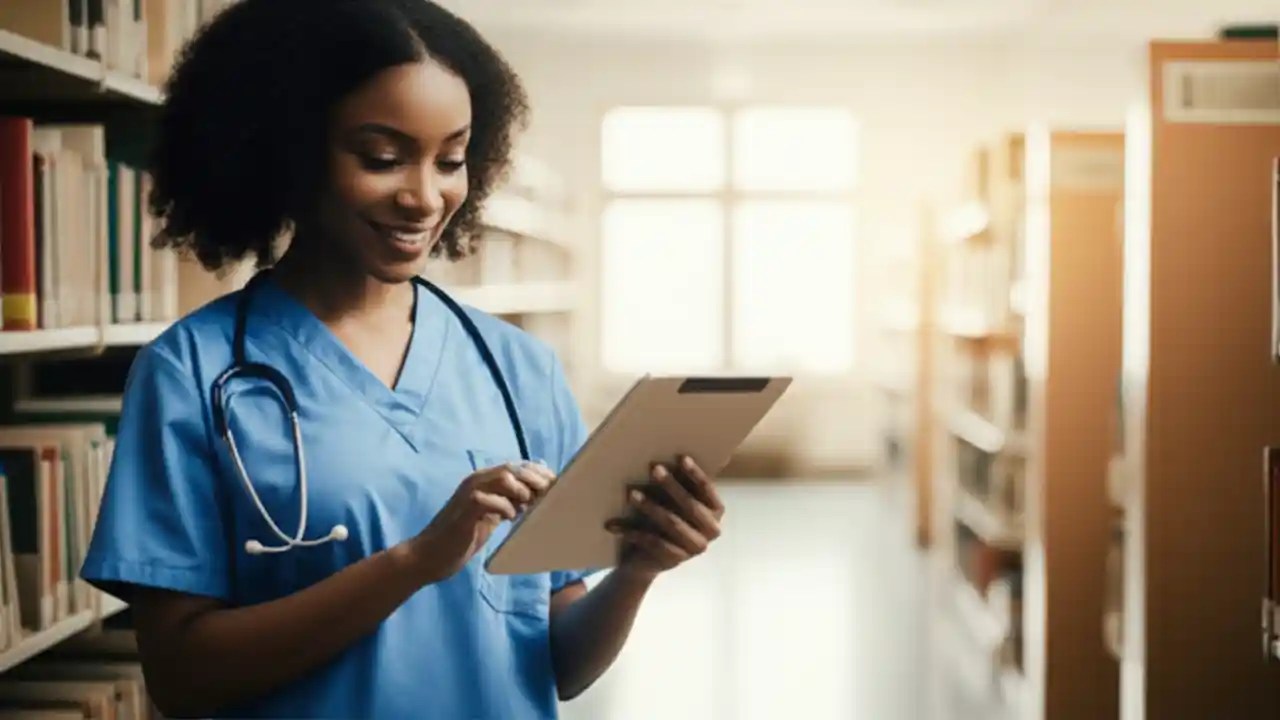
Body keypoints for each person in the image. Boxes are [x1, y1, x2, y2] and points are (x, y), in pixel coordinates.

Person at [79, 1, 727, 717]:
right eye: (382, 158)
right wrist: (413, 564)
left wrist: (636, 572)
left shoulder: (518, 370)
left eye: (451, 160)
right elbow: (183, 677)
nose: (425, 196)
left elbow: (559, 665)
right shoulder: (192, 373)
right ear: (291, 151)